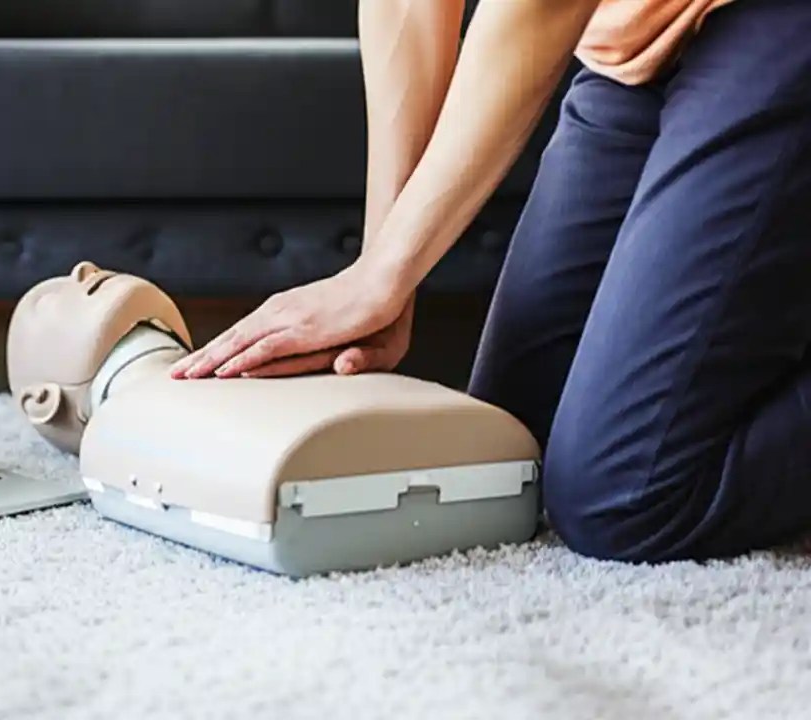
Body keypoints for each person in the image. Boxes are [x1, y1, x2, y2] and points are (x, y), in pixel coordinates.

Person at [169, 0, 811, 563]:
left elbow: (539, 8)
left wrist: (386, 273)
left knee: (623, 496)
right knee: (504, 457)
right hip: (634, 45)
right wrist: (383, 273)